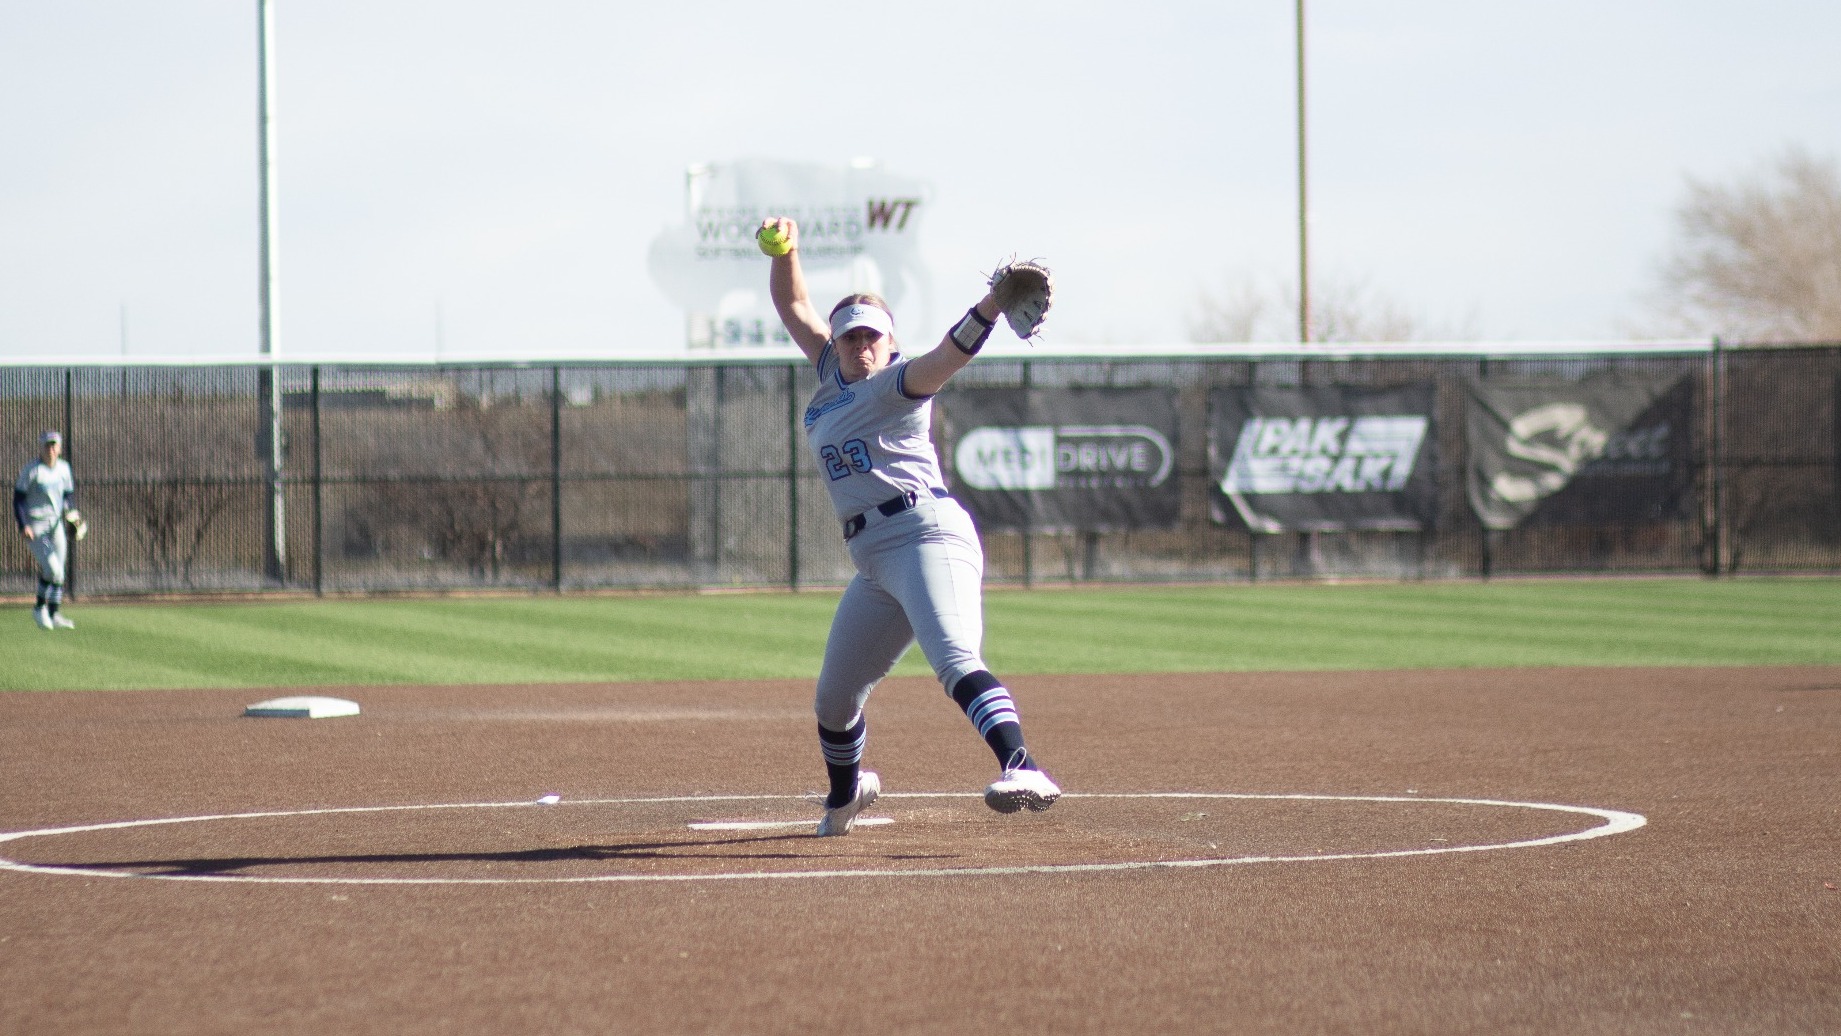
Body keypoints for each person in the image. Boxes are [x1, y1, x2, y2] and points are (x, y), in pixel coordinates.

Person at [759, 216, 1061, 836]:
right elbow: (791, 302)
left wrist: (991, 304)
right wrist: (785, 248)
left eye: (872, 337)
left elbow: (949, 356)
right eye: (850, 339)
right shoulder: (828, 376)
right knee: (834, 700)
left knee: (953, 658)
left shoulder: (899, 383)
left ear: (891, 343)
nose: (860, 346)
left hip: (926, 536)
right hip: (873, 559)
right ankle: (845, 796)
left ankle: (1025, 768)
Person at [15, 431, 78, 630]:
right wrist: (23, 524)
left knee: (60, 573)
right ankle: (39, 608)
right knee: (53, 569)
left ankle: (54, 613)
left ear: (59, 448)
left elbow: (68, 495)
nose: (50, 450)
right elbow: (18, 500)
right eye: (47, 446)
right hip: (36, 526)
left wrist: (73, 515)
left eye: (54, 446)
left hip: (55, 523)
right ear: (41, 448)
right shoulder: (32, 470)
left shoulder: (64, 469)